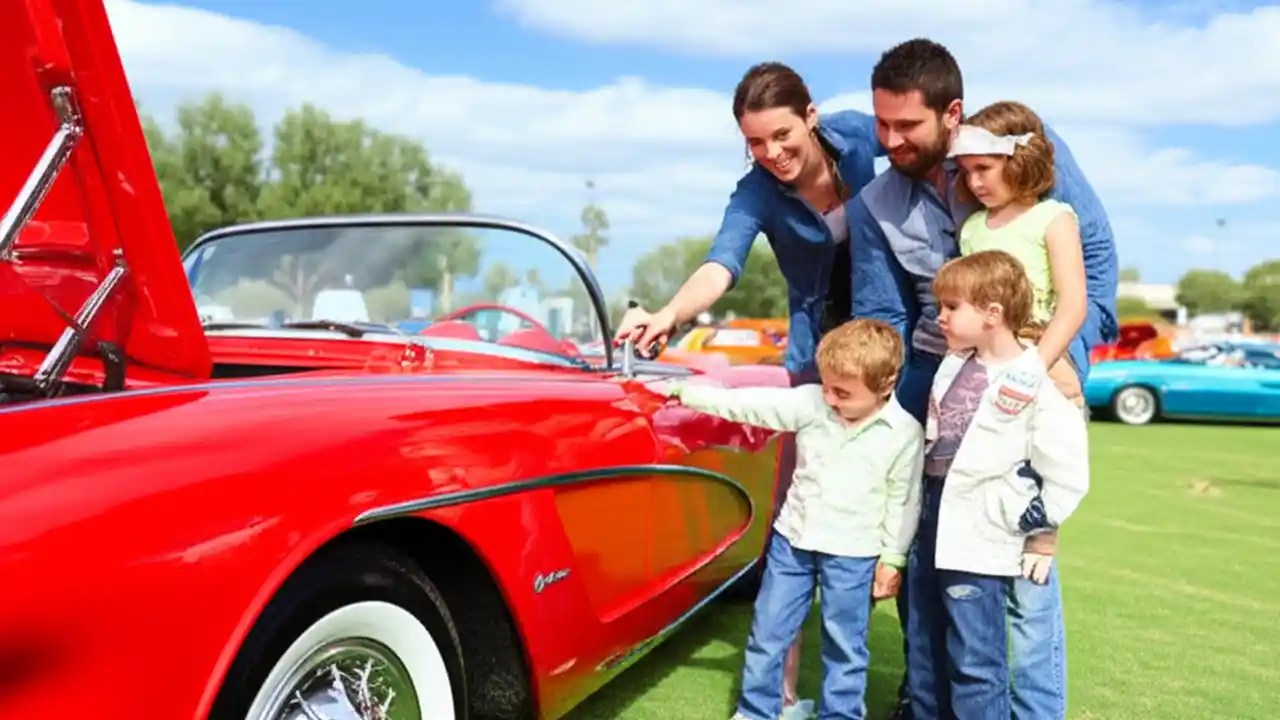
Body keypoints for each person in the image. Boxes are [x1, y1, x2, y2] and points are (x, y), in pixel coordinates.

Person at [850, 38, 1118, 720]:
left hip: (1037, 365)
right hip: (949, 374)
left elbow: (1089, 263)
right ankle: (929, 696)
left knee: (1022, 562)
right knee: (932, 547)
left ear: (952, 114)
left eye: (906, 125)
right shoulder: (893, 201)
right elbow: (893, 311)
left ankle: (1032, 711)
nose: (889, 140)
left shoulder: (1024, 153)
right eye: (880, 124)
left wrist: (1054, 361)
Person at [614, 61, 884, 713]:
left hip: (893, 354)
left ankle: (922, 691)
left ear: (812, 117)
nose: (771, 154)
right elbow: (721, 262)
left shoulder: (868, 139)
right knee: (795, 525)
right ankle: (780, 698)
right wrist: (670, 313)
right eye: (755, 142)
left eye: (782, 136)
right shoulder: (757, 191)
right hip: (817, 366)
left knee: (900, 523)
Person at [651, 318, 924, 720]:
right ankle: (756, 712)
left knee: (846, 644)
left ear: (885, 385)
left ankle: (841, 714)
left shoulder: (903, 433)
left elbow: (904, 501)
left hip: (854, 553)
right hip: (792, 542)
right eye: (827, 387)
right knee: (768, 632)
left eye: (843, 393)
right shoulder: (812, 403)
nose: (830, 399)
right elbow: (749, 404)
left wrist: (893, 559)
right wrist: (687, 392)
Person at [906, 250, 1089, 719]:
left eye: (951, 307)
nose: (940, 316)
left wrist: (1038, 523)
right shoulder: (952, 365)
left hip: (982, 528)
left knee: (974, 657)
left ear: (992, 314)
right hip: (931, 514)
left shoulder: (1036, 381)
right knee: (925, 644)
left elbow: (1066, 463)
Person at [949, 100, 1088, 407]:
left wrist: (1036, 366)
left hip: (1040, 353)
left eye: (984, 168)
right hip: (982, 359)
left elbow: (1073, 303)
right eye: (967, 171)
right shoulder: (972, 228)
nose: (974, 182)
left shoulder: (1054, 218)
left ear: (1020, 161)